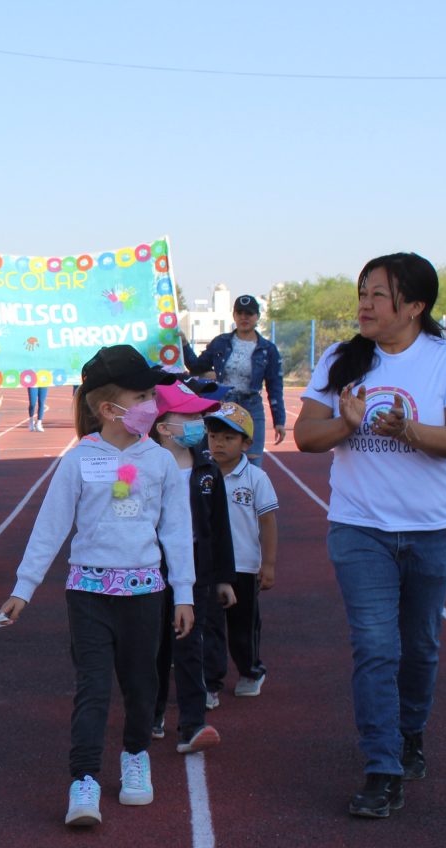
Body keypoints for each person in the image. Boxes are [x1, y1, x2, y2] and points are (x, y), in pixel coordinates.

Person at [294, 252, 446, 819]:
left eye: (379, 295)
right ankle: (383, 769)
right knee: (376, 649)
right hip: (360, 529)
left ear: (416, 306)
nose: (365, 304)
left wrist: (410, 430)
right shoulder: (339, 357)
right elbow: (306, 437)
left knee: (419, 647)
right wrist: (345, 423)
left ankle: (410, 732)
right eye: (363, 292)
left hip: (431, 530)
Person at [0, 345, 193, 827]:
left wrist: (183, 592)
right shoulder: (79, 460)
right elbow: (51, 526)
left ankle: (134, 756)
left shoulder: (162, 461)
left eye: (153, 394)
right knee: (93, 687)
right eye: (143, 395)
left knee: (142, 684)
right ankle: (83, 778)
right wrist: (24, 586)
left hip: (146, 592)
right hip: (88, 593)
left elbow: (176, 530)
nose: (153, 403)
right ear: (109, 408)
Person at [146, 380, 233, 752]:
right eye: (191, 416)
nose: (200, 423)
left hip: (196, 570)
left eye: (201, 415)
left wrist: (224, 578)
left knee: (189, 643)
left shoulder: (207, 471)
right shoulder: (143, 467)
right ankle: (151, 712)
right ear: (163, 427)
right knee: (153, 648)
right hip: (150, 567)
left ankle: (193, 724)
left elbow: (220, 528)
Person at [203, 402, 279, 698]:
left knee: (242, 626)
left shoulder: (255, 479)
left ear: (246, 442)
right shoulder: (201, 474)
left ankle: (250, 669)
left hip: (243, 566)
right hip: (208, 565)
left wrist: (268, 564)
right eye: (213, 436)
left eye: (228, 438)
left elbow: (268, 522)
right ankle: (210, 683)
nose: (219, 443)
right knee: (209, 627)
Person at [183, 295, 286, 465]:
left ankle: (251, 492)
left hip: (252, 405)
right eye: (240, 313)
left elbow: (275, 386)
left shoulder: (268, 349)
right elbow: (197, 366)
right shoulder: (221, 343)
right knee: (218, 456)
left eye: (249, 313)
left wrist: (279, 421)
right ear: (234, 316)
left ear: (257, 317)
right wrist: (185, 344)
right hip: (224, 404)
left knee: (253, 461)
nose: (244, 317)